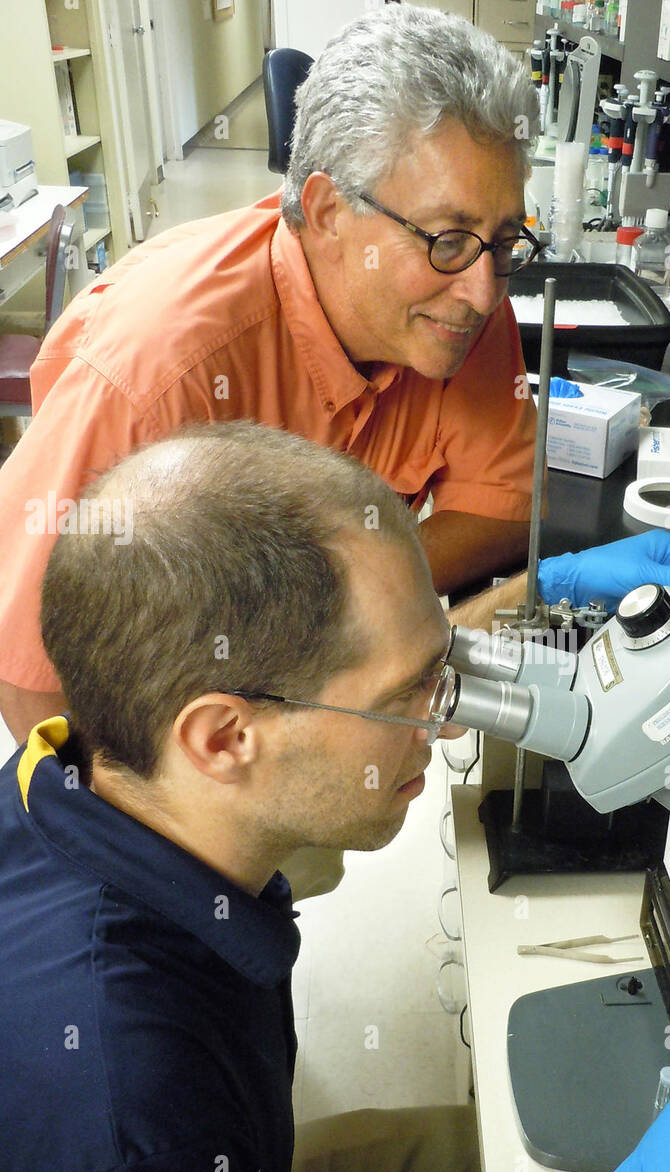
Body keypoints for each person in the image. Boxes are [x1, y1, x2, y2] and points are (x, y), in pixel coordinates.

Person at [0, 422, 670, 1172]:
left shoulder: (77, 774)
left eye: (448, 666)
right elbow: (138, 1171)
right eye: (413, 691)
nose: (446, 717)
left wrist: (536, 590)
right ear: (224, 738)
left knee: (519, 1168)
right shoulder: (125, 1132)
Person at [0, 3, 546, 744]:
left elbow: (505, 507)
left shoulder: (463, 297)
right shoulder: (153, 373)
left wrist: (317, 607)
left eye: (507, 241)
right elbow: (31, 673)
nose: (485, 291)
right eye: (446, 239)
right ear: (325, 210)